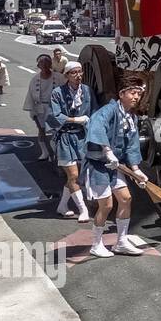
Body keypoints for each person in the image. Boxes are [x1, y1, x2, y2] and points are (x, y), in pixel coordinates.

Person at [84, 77, 149, 259]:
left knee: (126, 199)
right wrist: (107, 150)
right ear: (122, 94)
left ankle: (121, 242)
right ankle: (96, 244)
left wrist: (136, 170)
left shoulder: (131, 117)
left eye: (139, 94)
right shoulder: (109, 110)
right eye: (133, 93)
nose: (136, 97)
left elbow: (132, 145)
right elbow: (96, 126)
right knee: (106, 205)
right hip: (99, 164)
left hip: (116, 165)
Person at [47, 60, 95, 222]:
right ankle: (83, 210)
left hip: (82, 137)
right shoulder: (57, 93)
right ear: (66, 75)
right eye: (73, 72)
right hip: (65, 137)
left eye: (80, 72)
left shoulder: (87, 91)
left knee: (78, 176)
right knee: (73, 175)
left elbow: (94, 112)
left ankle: (62, 206)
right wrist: (75, 120)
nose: (78, 75)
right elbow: (55, 115)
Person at [22, 54, 58, 162]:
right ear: (39, 65)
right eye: (42, 63)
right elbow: (30, 96)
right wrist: (32, 111)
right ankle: (45, 152)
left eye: (47, 63)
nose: (45, 65)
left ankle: (55, 152)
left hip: (55, 107)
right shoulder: (34, 80)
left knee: (56, 131)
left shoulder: (59, 77)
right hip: (40, 108)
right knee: (41, 130)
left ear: (50, 64)